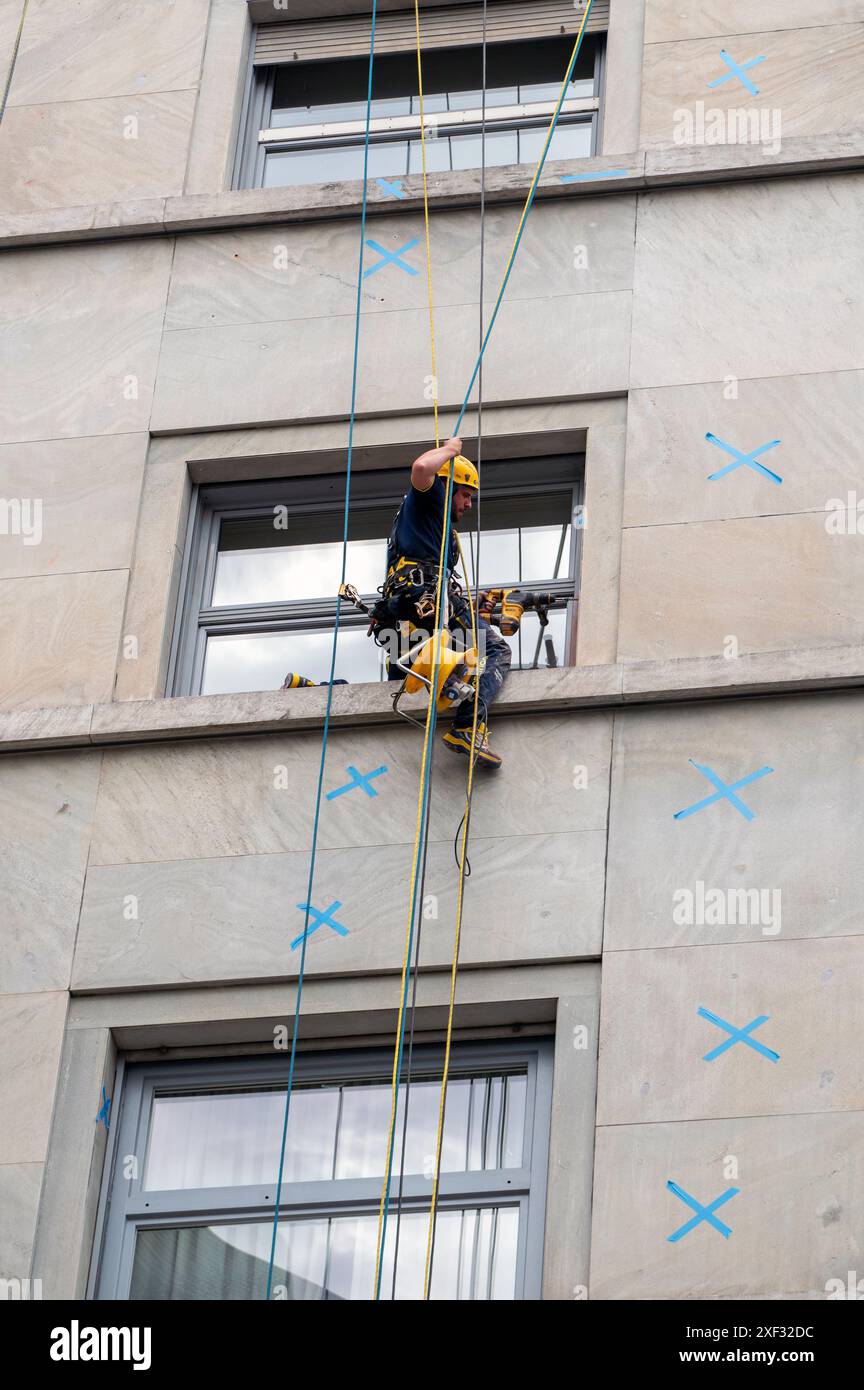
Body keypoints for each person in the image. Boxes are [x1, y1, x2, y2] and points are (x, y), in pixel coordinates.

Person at [377, 435, 511, 769]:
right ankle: (468, 726)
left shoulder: (424, 524)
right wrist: (451, 450)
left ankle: (451, 683)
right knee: (496, 650)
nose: (469, 504)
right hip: (427, 598)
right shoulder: (430, 498)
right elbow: (422, 467)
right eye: (466, 494)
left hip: (413, 603)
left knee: (422, 660)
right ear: (448, 486)